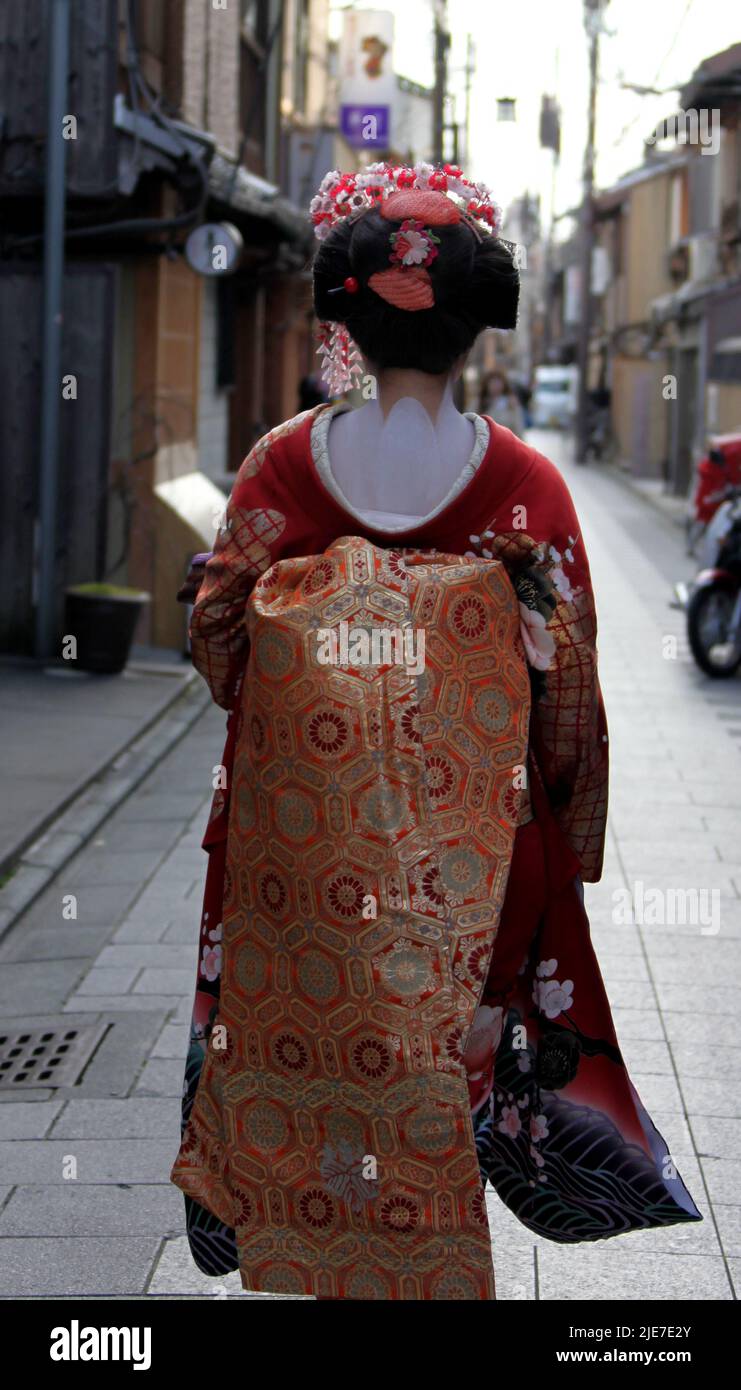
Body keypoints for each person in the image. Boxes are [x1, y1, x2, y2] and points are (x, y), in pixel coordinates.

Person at [170, 162, 701, 1302]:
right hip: (473, 870)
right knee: (435, 1087)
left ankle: (313, 1250)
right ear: (475, 327)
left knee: (320, 1079)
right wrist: (568, 827)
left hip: (302, 868)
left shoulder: (278, 464)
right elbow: (567, 714)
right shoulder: (525, 489)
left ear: (345, 320)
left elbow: (221, 650)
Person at [479, 366, 526, 438]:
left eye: (498, 382)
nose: (495, 385)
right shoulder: (479, 403)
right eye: (492, 382)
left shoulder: (511, 402)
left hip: (506, 443)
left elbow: (518, 426)